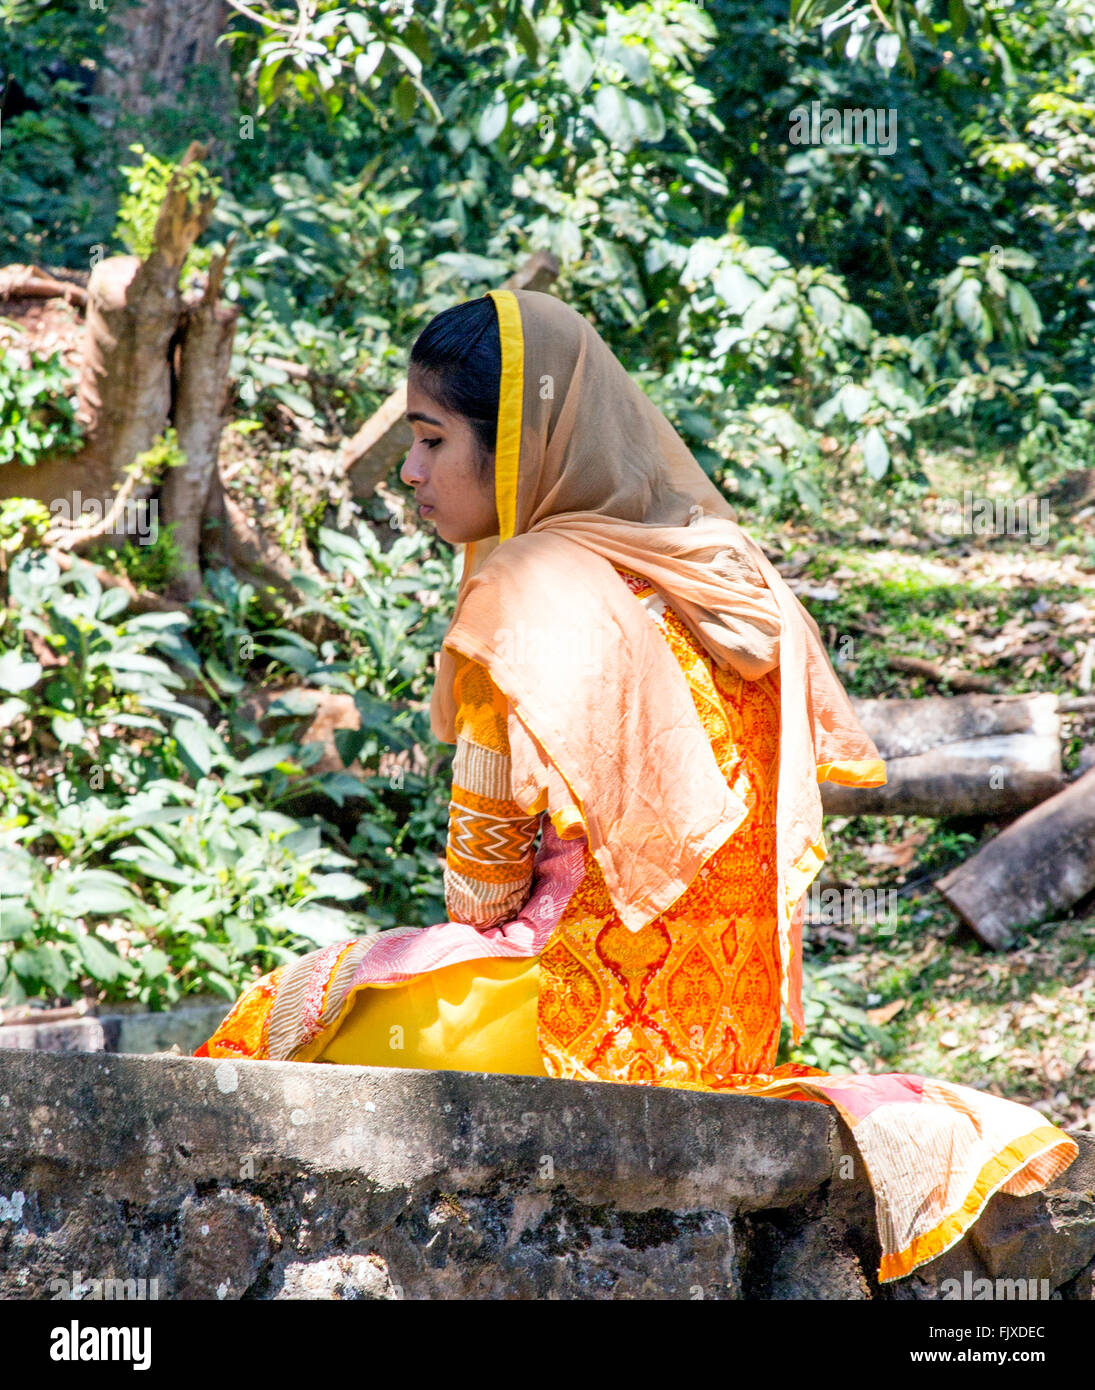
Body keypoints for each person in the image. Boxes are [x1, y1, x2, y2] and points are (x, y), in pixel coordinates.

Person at [197, 288, 1076, 1284]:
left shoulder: (526, 590)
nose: (409, 470)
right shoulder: (734, 577)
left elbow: (480, 897)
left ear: (521, 442)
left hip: (563, 1037)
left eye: (432, 439)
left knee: (285, 1006)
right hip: (727, 1046)